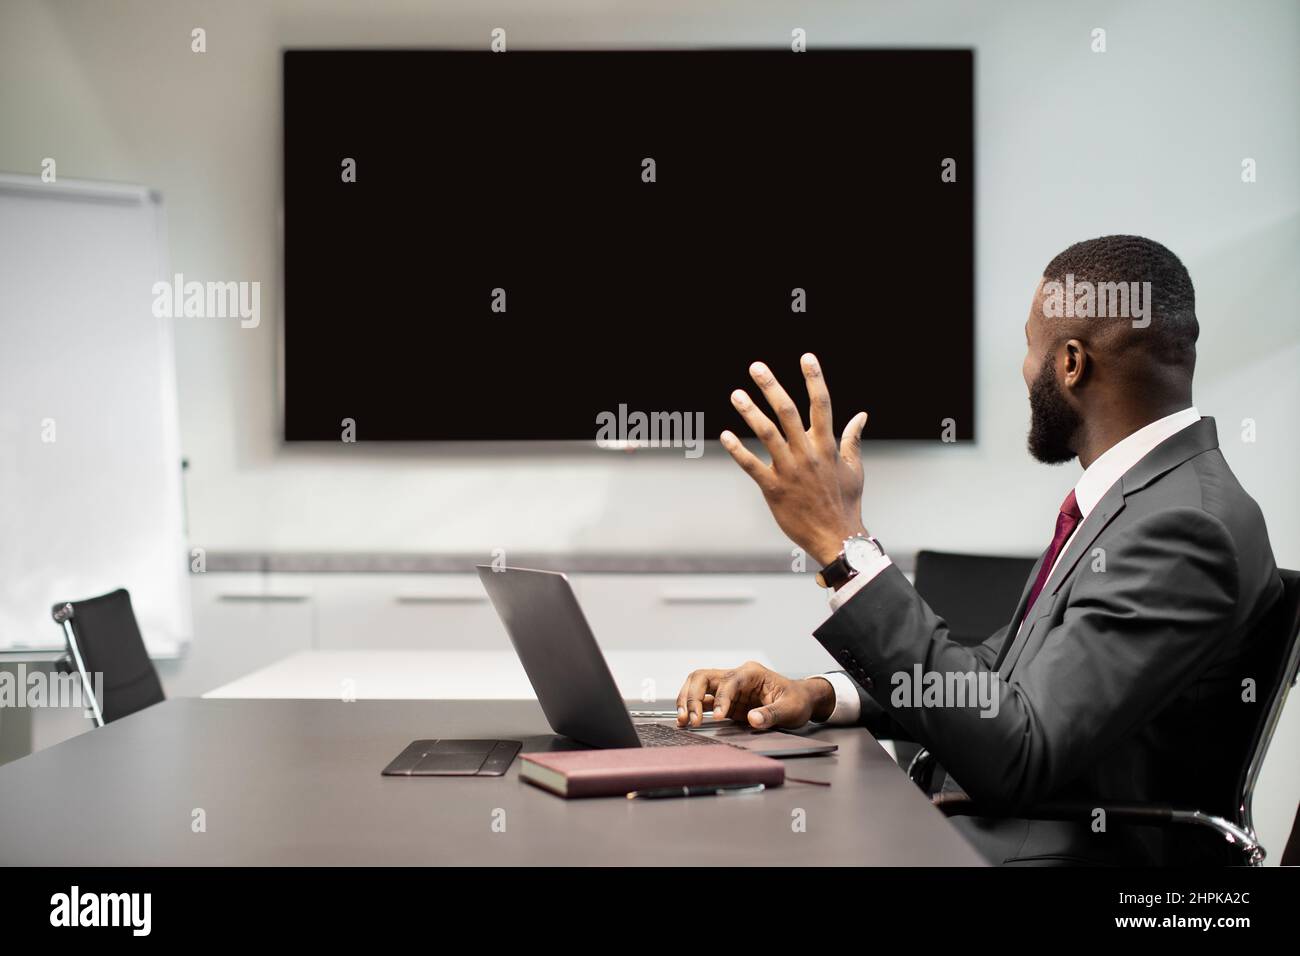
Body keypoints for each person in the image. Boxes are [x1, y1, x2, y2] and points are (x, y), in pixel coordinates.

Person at [677, 235, 1282, 865]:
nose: (1024, 369)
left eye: (1030, 345)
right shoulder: (1147, 499)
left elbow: (1018, 754)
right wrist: (821, 695)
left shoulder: (1185, 527)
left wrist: (842, 546)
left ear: (1070, 363)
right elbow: (1001, 674)